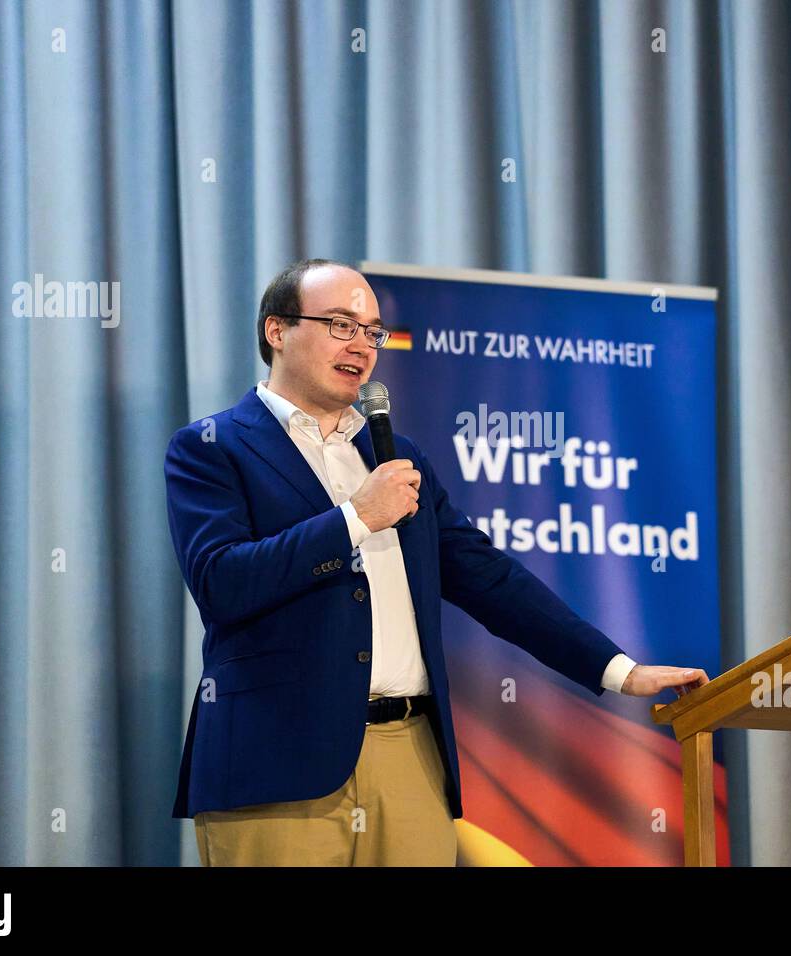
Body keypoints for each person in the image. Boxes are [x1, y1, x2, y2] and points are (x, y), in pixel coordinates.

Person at [165, 258, 710, 865]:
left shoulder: (394, 453)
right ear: (277, 331)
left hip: (409, 756)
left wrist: (618, 670)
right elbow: (222, 582)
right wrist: (355, 518)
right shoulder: (212, 447)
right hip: (275, 761)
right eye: (342, 325)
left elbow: (488, 578)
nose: (363, 346)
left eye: (373, 331)